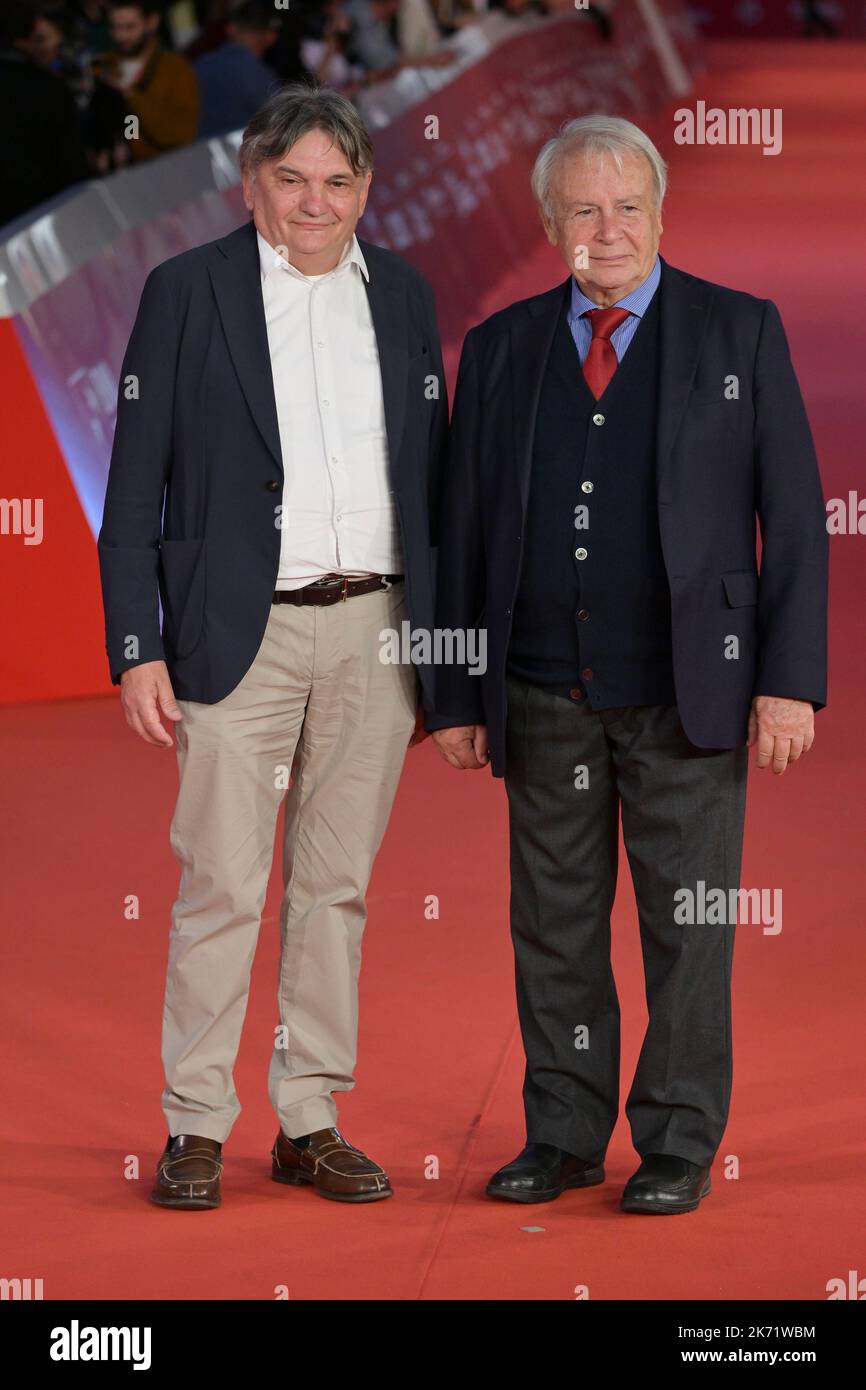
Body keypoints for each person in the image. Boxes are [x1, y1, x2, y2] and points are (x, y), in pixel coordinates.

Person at [429, 114, 828, 1214]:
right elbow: (461, 529)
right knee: (552, 927)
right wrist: (454, 689)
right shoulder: (504, 346)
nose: (604, 231)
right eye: (580, 211)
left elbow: (790, 517)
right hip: (539, 690)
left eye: (625, 207)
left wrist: (787, 680)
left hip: (687, 692)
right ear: (548, 222)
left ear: (659, 211)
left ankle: (677, 1140)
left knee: (686, 925)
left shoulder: (736, 331)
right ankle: (561, 1130)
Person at [97, 82, 447, 1210]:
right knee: (219, 886)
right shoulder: (184, 292)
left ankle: (310, 1115)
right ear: (252, 186)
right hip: (228, 634)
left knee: (335, 887)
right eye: (290, 179)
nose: (313, 201)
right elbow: (133, 482)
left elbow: (429, 480)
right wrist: (137, 643)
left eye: (336, 182)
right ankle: (196, 1123)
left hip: (375, 629)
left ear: (365, 191)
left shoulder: (401, 295)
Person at [0, 1, 88, 226]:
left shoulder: (92, 72)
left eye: (47, 38)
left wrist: (129, 135)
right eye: (39, 39)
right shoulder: (49, 87)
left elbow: (128, 122)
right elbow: (74, 166)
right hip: (47, 215)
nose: (47, 46)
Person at [89, 0, 198, 168]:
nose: (120, 36)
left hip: (168, 169)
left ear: (152, 22)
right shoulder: (103, 68)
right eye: (115, 27)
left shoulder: (175, 68)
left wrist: (131, 97)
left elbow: (180, 134)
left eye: (130, 27)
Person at [194, 1, 280, 139]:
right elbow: (283, 123)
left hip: (193, 153)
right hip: (235, 154)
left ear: (231, 29)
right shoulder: (262, 78)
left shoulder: (201, 63)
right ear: (271, 37)